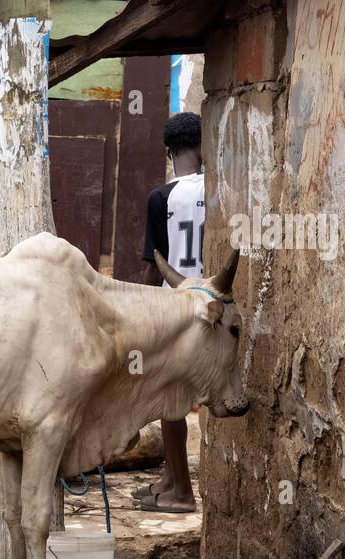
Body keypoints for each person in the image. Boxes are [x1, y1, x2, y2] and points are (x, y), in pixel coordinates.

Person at [135, 111, 204, 513]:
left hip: (175, 308)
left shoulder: (161, 198)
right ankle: (169, 478)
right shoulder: (217, 190)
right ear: (202, 147)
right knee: (174, 400)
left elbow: (153, 264)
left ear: (168, 152)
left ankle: (182, 493)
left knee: (170, 401)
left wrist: (137, 309)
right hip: (209, 303)